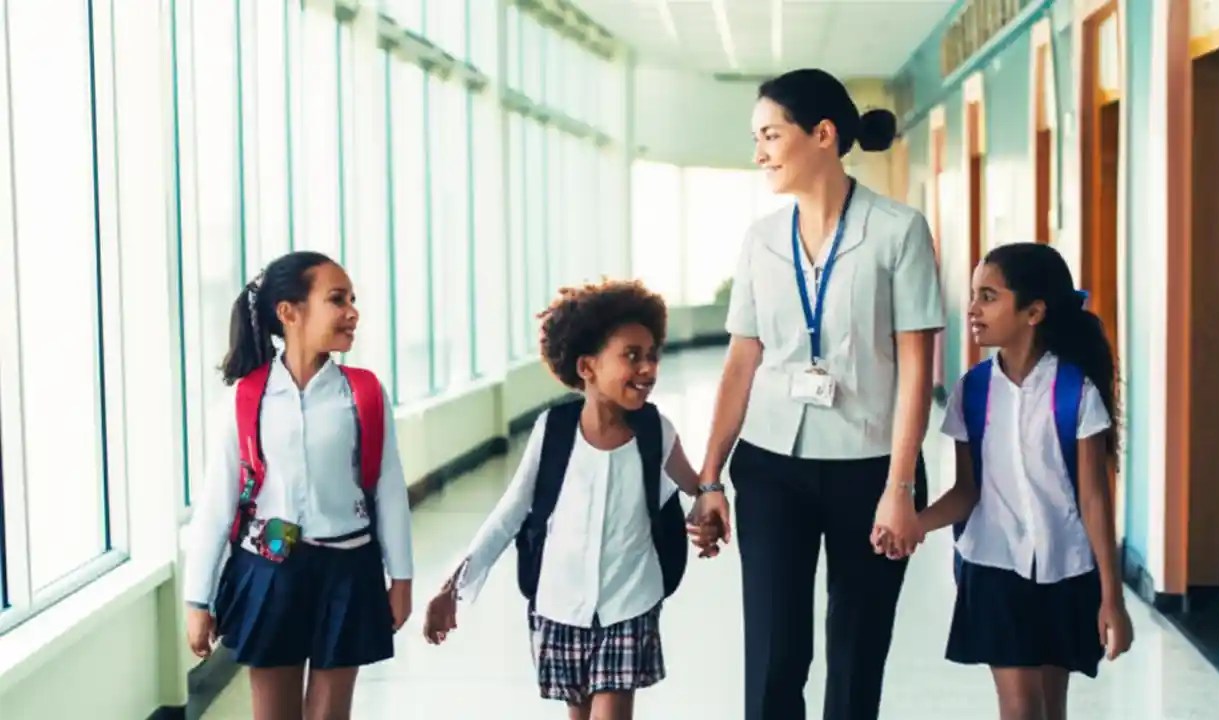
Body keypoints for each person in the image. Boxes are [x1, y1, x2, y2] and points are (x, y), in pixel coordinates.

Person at [690, 68, 944, 720]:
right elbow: (742, 361)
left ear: (823, 134)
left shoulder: (898, 231)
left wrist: (899, 487)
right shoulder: (761, 240)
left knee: (858, 652)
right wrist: (710, 478)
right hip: (772, 464)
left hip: (870, 468)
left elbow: (917, 365)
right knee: (774, 652)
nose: (760, 154)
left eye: (771, 135)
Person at [422, 280, 725, 720]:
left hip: (630, 603)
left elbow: (697, 490)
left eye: (652, 354)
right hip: (561, 605)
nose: (648, 368)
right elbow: (509, 515)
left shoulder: (657, 432)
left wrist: (709, 515)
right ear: (587, 366)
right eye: (632, 356)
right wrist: (453, 588)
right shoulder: (554, 431)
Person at [183, 251, 414, 720]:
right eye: (336, 299)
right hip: (269, 572)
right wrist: (197, 600)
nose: (352, 312)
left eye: (352, 299)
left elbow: (389, 487)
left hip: (349, 571)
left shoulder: (363, 392)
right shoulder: (245, 398)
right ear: (289, 313)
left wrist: (402, 578)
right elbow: (216, 504)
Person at [918, 242, 1134, 720]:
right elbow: (966, 491)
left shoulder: (1074, 391)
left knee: (1051, 709)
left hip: (1065, 566)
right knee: (1019, 708)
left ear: (1033, 311)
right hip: (994, 567)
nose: (972, 309)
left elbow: (1095, 501)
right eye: (973, 295)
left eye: (989, 296)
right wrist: (917, 524)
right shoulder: (971, 391)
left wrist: (1111, 598)